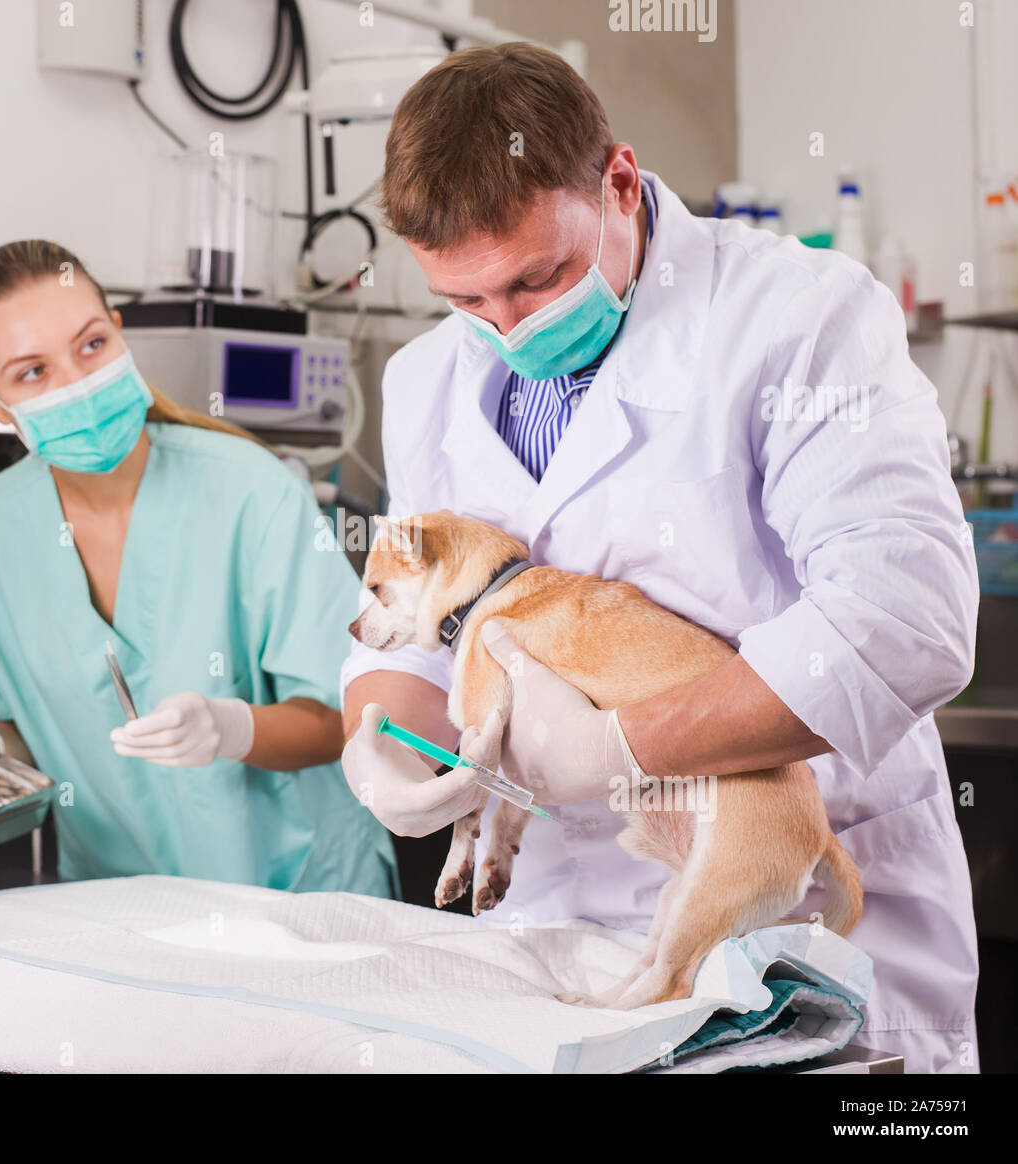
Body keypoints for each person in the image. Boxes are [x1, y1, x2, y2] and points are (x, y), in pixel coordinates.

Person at [340, 44, 979, 1073]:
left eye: (536, 279)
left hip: (792, 902)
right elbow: (420, 631)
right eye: (465, 302)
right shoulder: (427, 380)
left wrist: (621, 749)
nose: (505, 329)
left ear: (620, 182)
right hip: (551, 924)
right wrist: (379, 746)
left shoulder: (798, 318)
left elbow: (902, 618)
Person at [0, 239, 398, 898]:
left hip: (307, 896)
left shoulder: (248, 490)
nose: (76, 382)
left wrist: (230, 728)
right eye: (31, 372)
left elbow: (345, 716)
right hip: (123, 904)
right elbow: (39, 736)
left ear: (120, 337)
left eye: (91, 345)